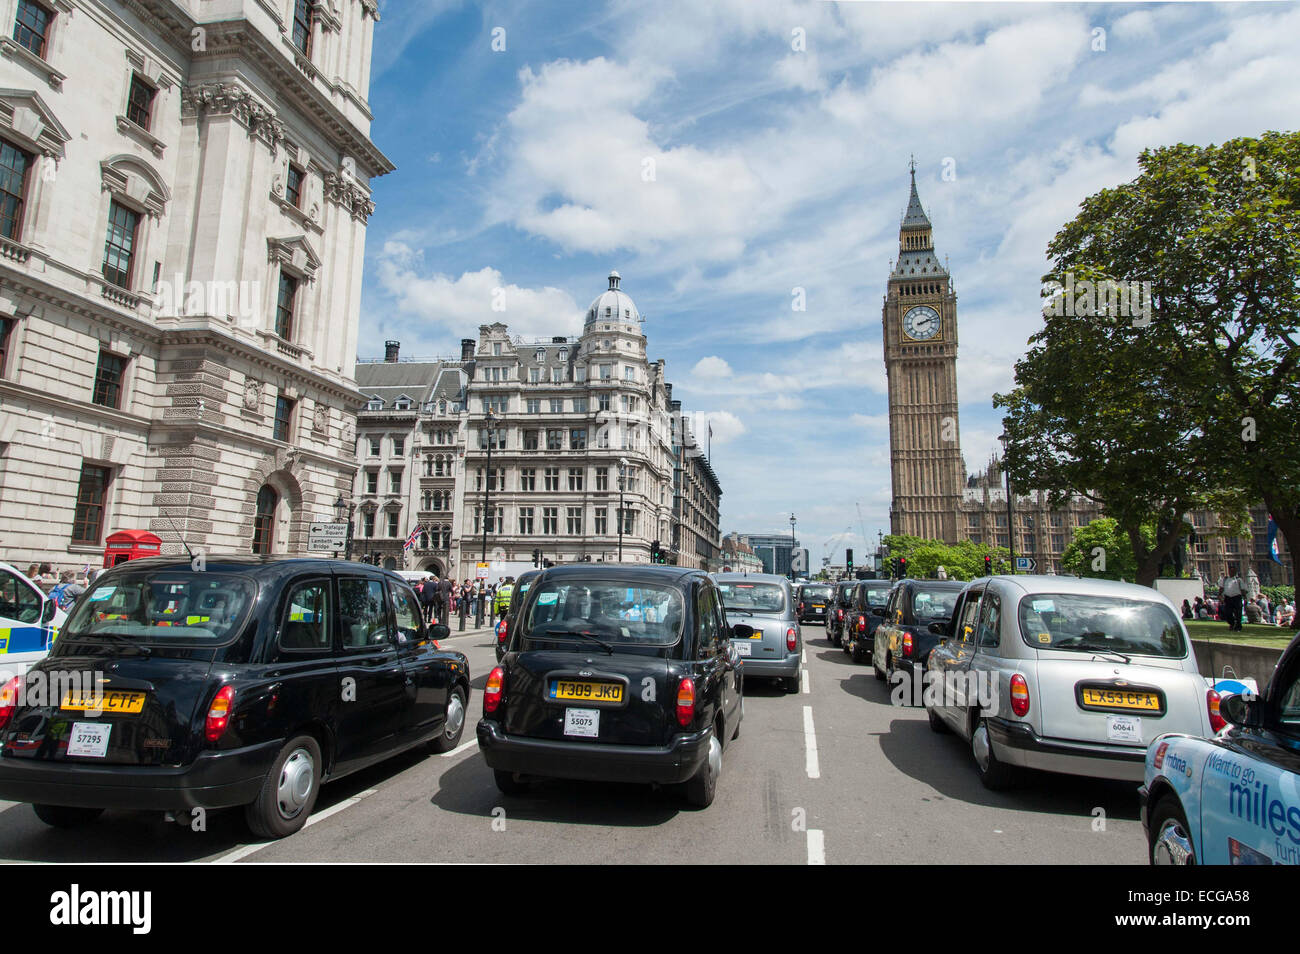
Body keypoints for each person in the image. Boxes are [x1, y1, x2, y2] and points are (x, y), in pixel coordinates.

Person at [1220, 566, 1244, 632]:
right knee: (1228, 613)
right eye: (1231, 571)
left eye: (1233, 571)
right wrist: (1219, 595)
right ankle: (1232, 623)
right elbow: (1221, 588)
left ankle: (1238, 626)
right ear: (1229, 571)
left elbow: (1243, 589)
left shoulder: (1239, 580)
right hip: (1228, 598)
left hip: (1237, 597)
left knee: (1238, 613)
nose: (1232, 572)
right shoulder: (1225, 579)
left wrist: (1245, 597)